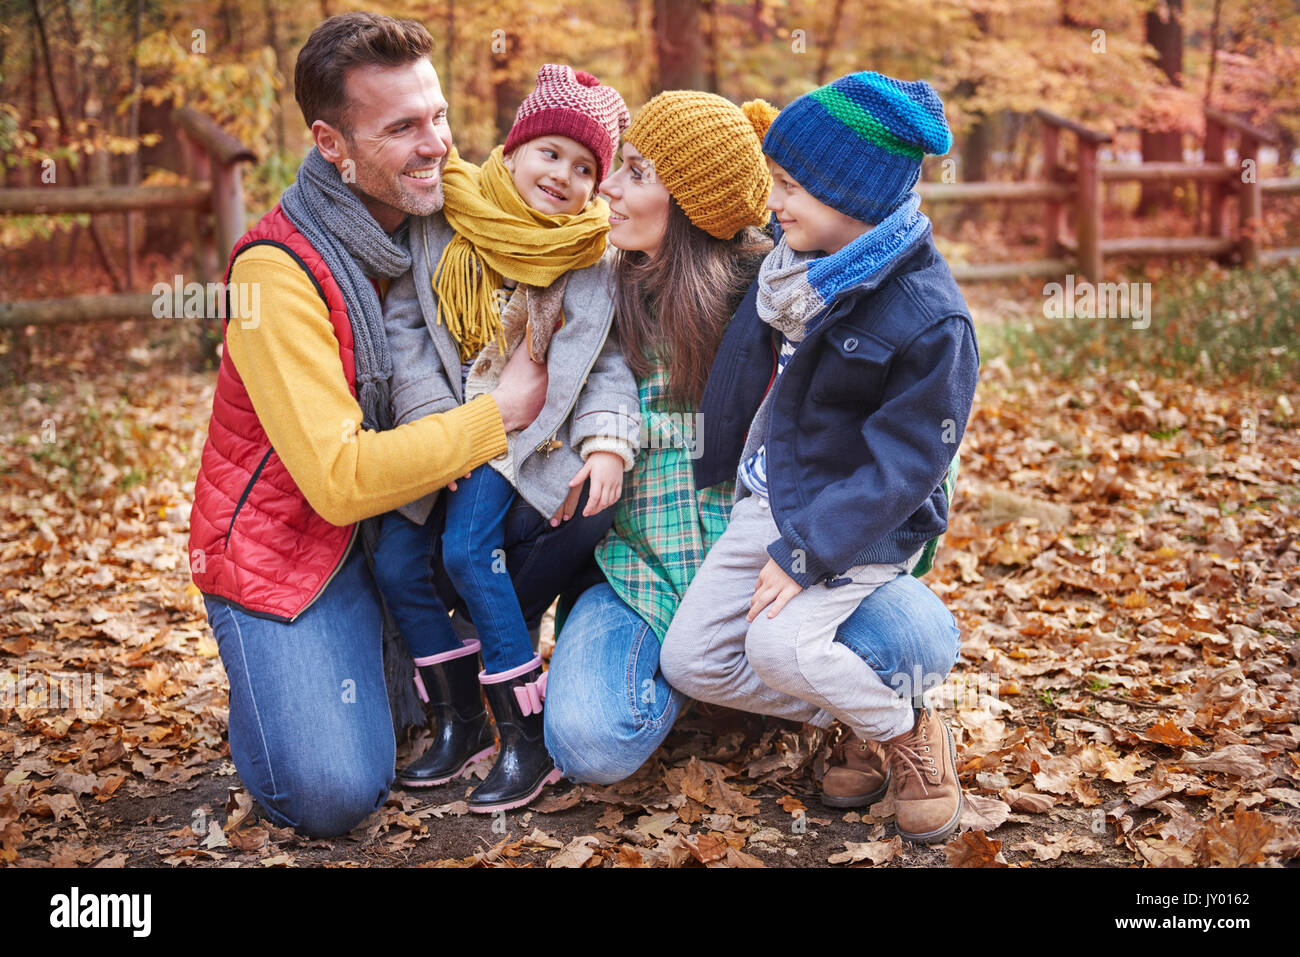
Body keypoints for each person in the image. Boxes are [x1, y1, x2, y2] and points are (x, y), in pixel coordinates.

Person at [188, 13, 583, 838]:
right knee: (332, 792)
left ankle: (528, 687)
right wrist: (497, 414)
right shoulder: (275, 273)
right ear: (332, 143)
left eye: (437, 116)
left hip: (413, 523)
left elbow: (580, 239)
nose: (436, 143)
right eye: (402, 127)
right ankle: (285, 674)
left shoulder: (456, 212)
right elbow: (338, 481)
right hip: (299, 548)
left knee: (573, 492)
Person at [542, 90, 964, 799]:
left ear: (690, 204)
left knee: (914, 641)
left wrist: (813, 552)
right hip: (646, 574)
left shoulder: (782, 294)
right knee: (594, 738)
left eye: (635, 171)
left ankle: (876, 719)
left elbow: (906, 458)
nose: (607, 187)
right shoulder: (598, 295)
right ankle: (755, 693)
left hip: (788, 549)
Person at [659, 71, 979, 844]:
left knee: (774, 644)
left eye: (793, 185)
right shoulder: (791, 273)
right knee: (693, 659)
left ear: (858, 199)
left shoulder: (930, 319)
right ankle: (855, 712)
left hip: (858, 525)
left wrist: (807, 550)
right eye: (776, 181)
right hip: (770, 501)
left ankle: (905, 730)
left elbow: (905, 466)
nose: (776, 201)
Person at [373, 64, 638, 812]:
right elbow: (407, 337)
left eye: (586, 167)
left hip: (521, 440)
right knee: (396, 557)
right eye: (550, 152)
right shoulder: (446, 222)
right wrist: (434, 427)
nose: (564, 176)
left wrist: (610, 442)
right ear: (515, 149)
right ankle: (459, 721)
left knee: (465, 550)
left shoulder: (590, 260)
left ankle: (523, 737)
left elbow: (605, 366)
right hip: (444, 428)